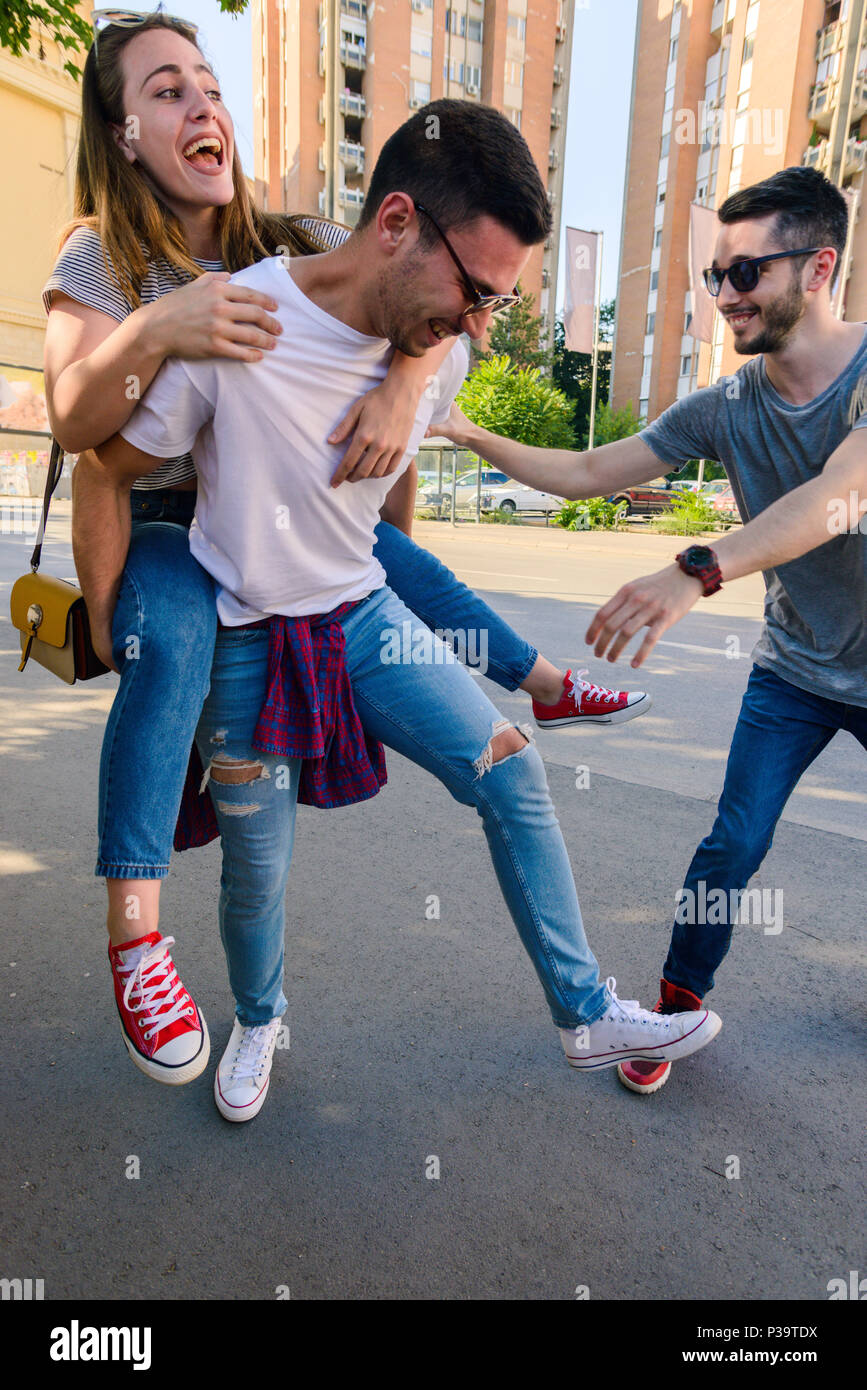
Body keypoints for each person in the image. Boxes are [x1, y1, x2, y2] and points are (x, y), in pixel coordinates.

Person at [42, 13, 646, 1089]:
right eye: (168, 91)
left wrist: (417, 367)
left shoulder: (298, 239)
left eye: (210, 85)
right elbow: (84, 437)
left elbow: (390, 297)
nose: (203, 107)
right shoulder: (103, 262)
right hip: (184, 548)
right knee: (201, 714)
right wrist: (156, 329)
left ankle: (546, 705)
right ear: (124, 133)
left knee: (416, 585)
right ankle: (169, 957)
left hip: (322, 552)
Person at [433, 164, 867, 1095]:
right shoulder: (725, 406)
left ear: (818, 267)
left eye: (745, 274)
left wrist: (695, 568)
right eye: (715, 275)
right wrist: (472, 436)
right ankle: (673, 1012)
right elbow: (590, 467)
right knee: (732, 841)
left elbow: (838, 499)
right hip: (794, 668)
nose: (724, 297)